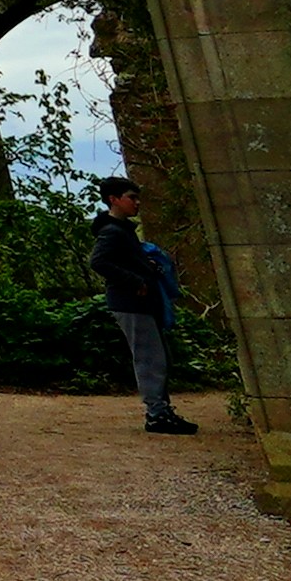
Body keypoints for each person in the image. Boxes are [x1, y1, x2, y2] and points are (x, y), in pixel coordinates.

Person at [95, 177, 198, 433]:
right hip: (130, 302)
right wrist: (134, 280)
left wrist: (146, 267)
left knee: (160, 357)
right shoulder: (111, 232)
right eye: (132, 197)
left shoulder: (123, 229)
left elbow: (124, 259)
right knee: (150, 358)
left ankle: (161, 411)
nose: (137, 203)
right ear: (114, 199)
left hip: (141, 301)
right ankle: (156, 415)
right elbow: (98, 262)